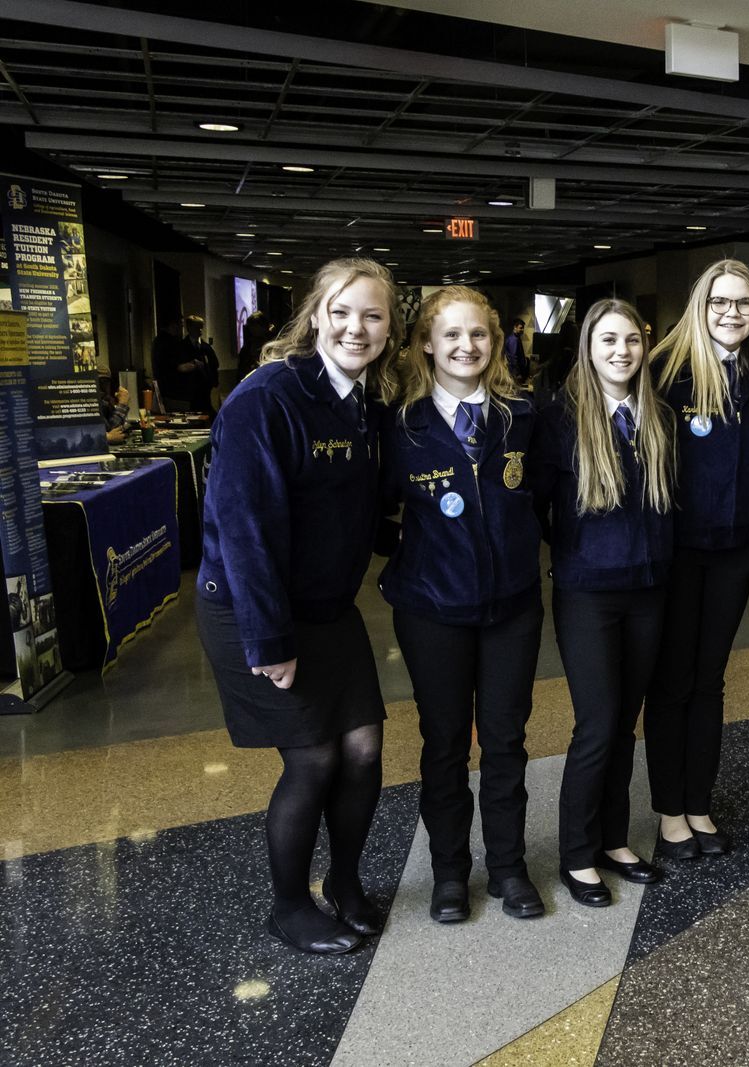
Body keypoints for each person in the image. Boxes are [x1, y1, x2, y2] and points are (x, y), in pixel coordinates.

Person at [194, 257, 401, 955]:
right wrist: (268, 638)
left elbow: (360, 510)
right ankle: (289, 905)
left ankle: (345, 883)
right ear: (315, 315)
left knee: (365, 748)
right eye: (342, 311)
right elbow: (243, 527)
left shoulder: (366, 403)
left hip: (327, 609)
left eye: (373, 315)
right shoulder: (268, 397)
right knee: (311, 758)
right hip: (255, 608)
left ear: (389, 328)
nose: (356, 327)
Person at [378, 286, 544, 924]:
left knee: (506, 741)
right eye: (451, 335)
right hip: (430, 610)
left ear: (495, 340)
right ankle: (450, 871)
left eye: (478, 334)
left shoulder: (521, 417)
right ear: (426, 343)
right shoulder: (402, 424)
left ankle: (508, 866)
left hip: (513, 609)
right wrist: (417, 554)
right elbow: (373, 513)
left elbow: (544, 498)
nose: (466, 346)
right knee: (444, 743)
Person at [536, 298, 675, 907]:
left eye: (633, 341)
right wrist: (580, 547)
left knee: (626, 720)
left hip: (648, 589)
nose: (622, 352)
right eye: (609, 341)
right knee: (596, 723)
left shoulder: (658, 414)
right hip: (588, 591)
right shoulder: (560, 418)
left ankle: (615, 839)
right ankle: (576, 853)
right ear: (588, 348)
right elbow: (538, 504)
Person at [644, 260, 749, 860]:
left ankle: (699, 802)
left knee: (710, 682)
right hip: (675, 553)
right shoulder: (666, 374)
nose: (732, 313)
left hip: (732, 553)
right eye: (720, 302)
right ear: (700, 305)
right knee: (672, 683)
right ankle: (669, 811)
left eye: (744, 303)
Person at [183, 315, 221, 415]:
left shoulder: (206, 347)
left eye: (201, 327)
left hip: (206, 388)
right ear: (189, 328)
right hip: (190, 390)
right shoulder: (182, 346)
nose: (200, 330)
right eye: (197, 327)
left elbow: (215, 364)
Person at [505, 318, 531, 384]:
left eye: (523, 328)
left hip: (516, 370)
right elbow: (513, 357)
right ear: (515, 327)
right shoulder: (513, 340)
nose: (522, 330)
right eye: (521, 328)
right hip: (514, 372)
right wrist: (517, 373)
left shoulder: (516, 338)